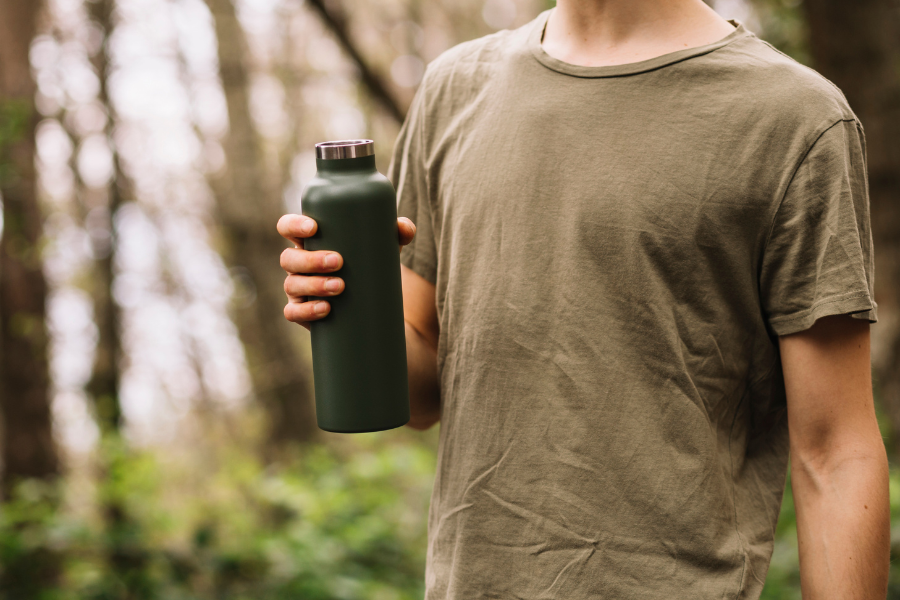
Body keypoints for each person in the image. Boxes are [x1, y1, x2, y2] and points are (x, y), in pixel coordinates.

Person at [277, 0, 890, 597]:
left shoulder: (794, 118)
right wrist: (345, 300)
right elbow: (421, 394)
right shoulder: (454, 89)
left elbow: (834, 454)